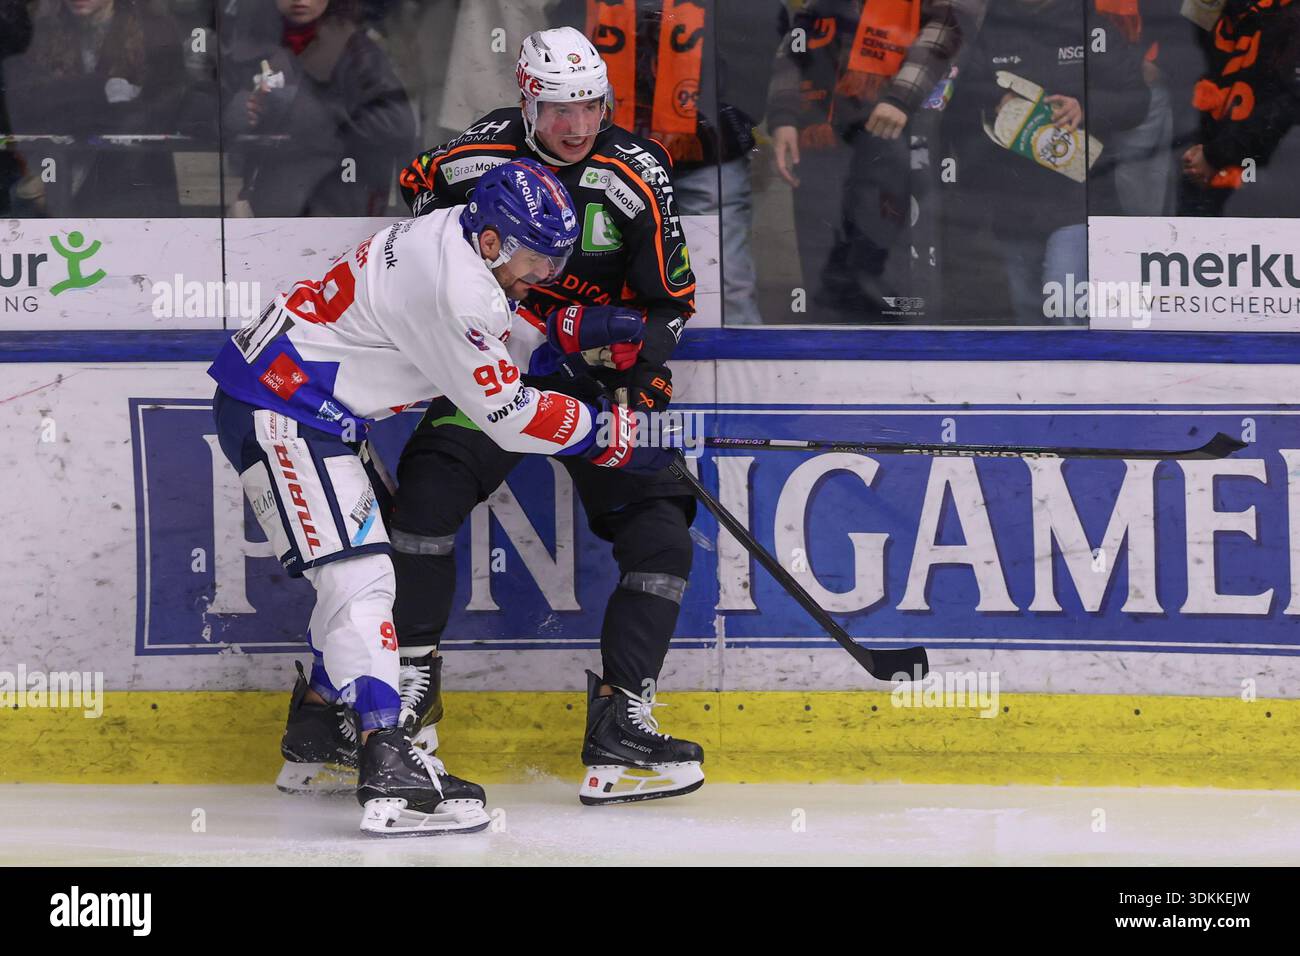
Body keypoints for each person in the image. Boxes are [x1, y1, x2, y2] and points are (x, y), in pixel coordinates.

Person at [208, 158, 674, 835]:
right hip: (286, 408)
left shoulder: (455, 232)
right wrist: (609, 437)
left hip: (306, 407)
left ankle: (319, 729)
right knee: (360, 581)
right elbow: (507, 413)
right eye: (537, 262)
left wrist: (571, 335)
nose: (543, 276)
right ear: (491, 242)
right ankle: (387, 760)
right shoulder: (452, 286)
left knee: (365, 575)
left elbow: (496, 336)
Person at [385, 26, 704, 807]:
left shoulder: (637, 170)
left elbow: (669, 308)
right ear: (526, 100)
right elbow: (418, 201)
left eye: (591, 104)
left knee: (661, 533)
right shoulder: (474, 157)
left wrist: (641, 376)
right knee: (425, 498)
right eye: (559, 108)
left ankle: (621, 725)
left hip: (592, 387)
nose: (578, 124)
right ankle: (405, 714)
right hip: (501, 374)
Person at [767, 0, 983, 323]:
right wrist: (784, 115)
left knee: (884, 260)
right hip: (822, 133)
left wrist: (900, 97)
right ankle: (830, 348)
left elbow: (945, 29)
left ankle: (894, 348)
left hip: (896, 131)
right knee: (824, 254)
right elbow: (795, 42)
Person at [220, 0, 414, 216]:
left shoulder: (356, 51)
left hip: (336, 209)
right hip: (268, 206)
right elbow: (204, 112)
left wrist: (316, 111)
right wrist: (236, 110)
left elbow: (397, 125)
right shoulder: (255, 43)